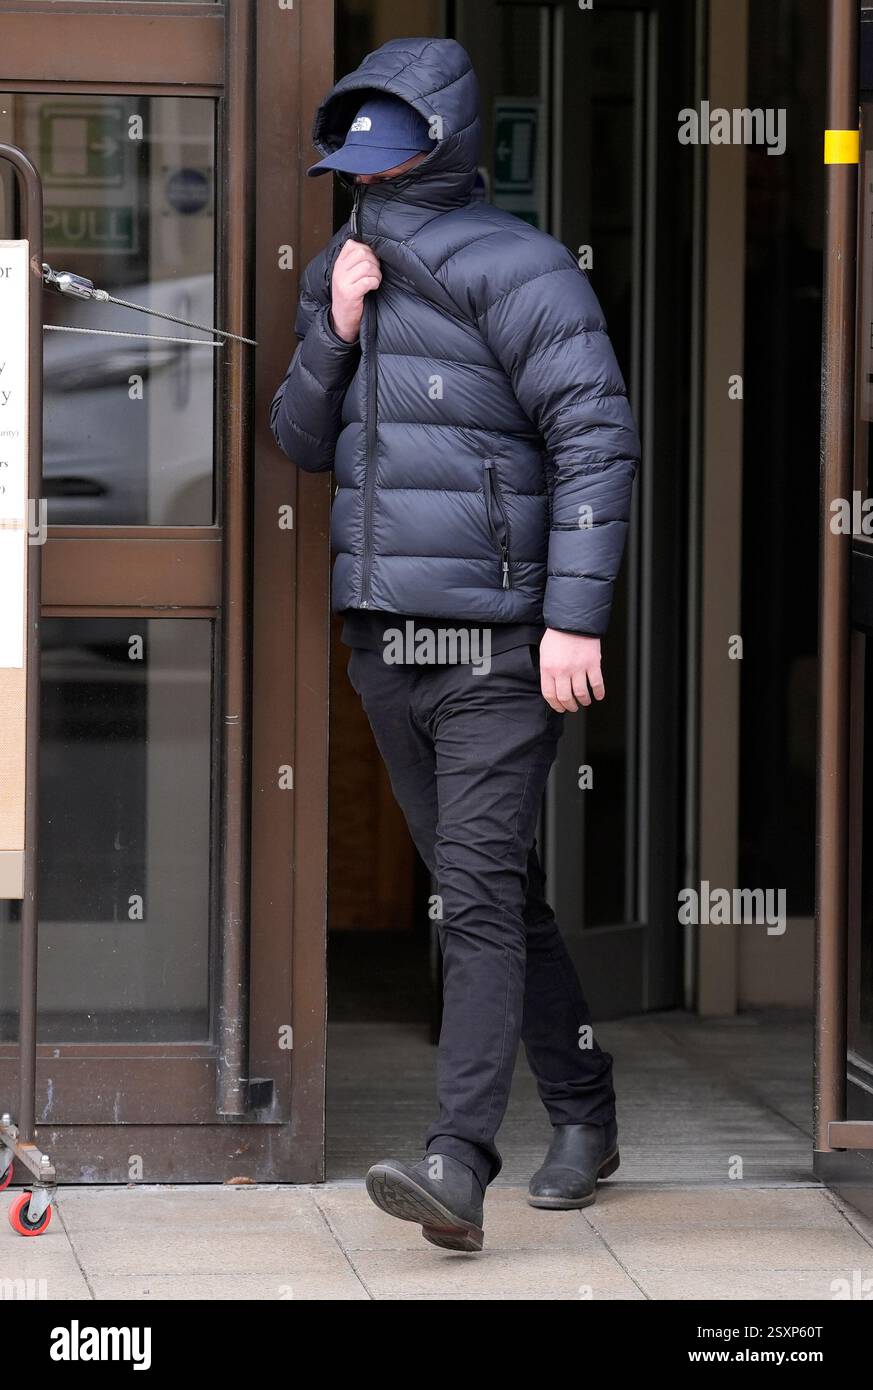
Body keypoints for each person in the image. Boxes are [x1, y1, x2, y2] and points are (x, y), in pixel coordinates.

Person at [270, 37, 641, 1254]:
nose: (364, 174)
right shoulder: (347, 263)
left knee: (472, 897)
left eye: (387, 150)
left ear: (442, 139)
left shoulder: (528, 270)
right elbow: (300, 438)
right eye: (355, 157)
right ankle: (584, 1114)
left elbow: (596, 440)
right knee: (491, 895)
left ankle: (456, 1164)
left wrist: (572, 618)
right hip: (389, 641)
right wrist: (333, 323)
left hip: (500, 647)